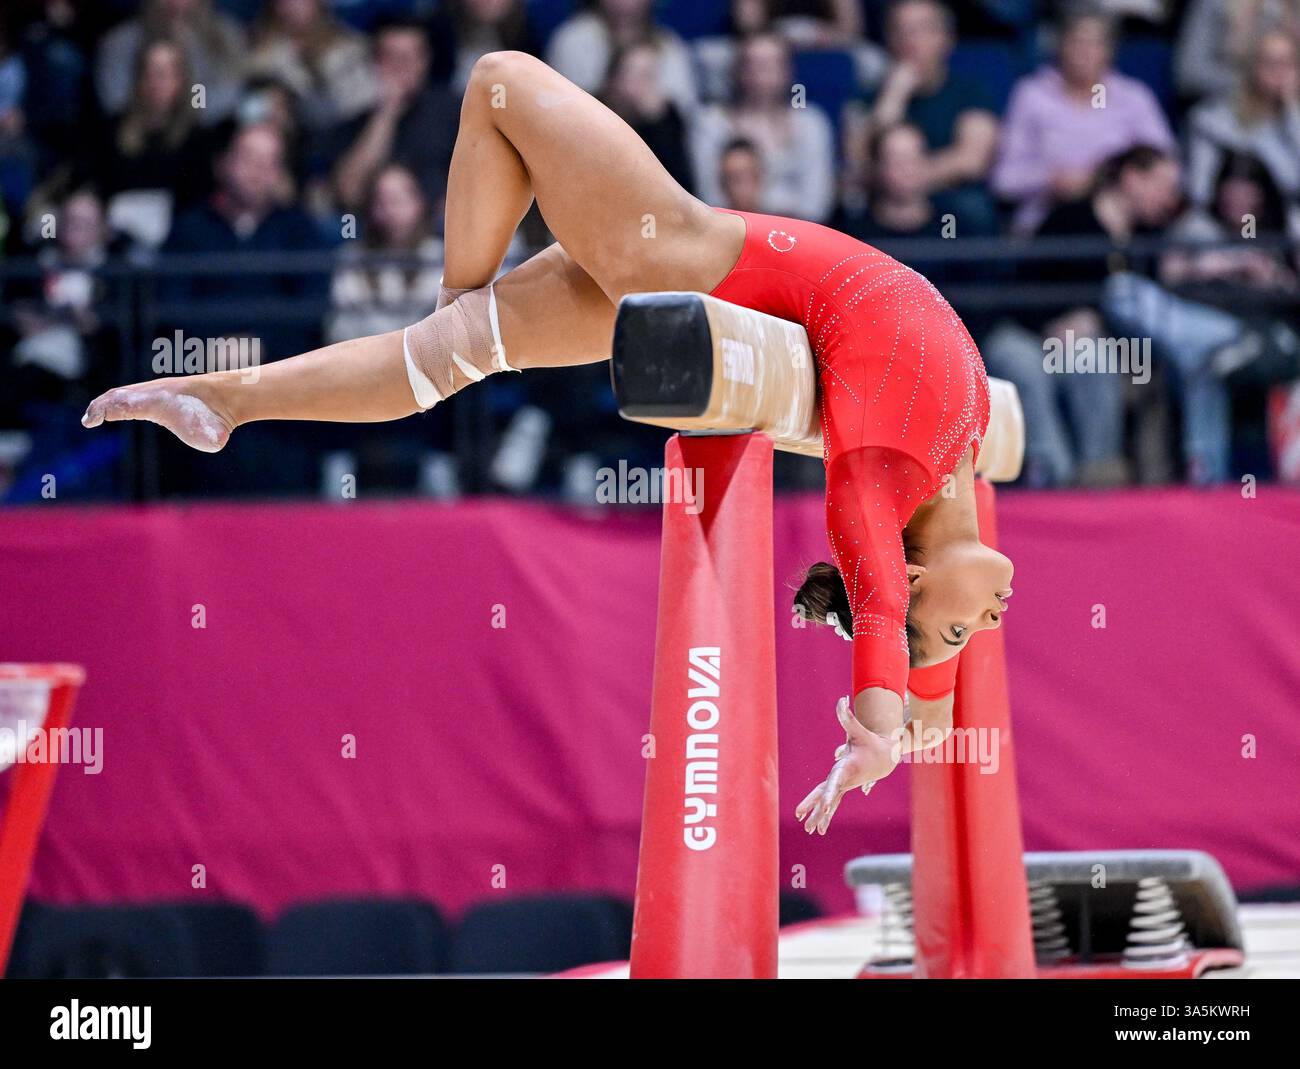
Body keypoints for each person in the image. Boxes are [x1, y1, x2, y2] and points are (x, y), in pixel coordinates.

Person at [83, 52, 1013, 833]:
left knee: (495, 94)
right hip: (677, 251)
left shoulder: (891, 471)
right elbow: (900, 610)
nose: (997, 617)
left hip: (670, 259)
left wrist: (877, 722)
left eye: (963, 626)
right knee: (473, 217)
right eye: (970, 636)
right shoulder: (960, 447)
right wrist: (908, 712)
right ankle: (451, 308)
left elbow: (878, 583)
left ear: (919, 576)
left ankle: (226, 399)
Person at [992, 6, 1175, 234]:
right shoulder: (1032, 94)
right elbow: (1005, 179)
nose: (1085, 51)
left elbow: (1164, 164)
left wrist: (1117, 182)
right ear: (1060, 45)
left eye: (1095, 43)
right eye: (1077, 41)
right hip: (1047, 223)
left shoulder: (1133, 97)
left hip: (1122, 223)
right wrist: (1052, 180)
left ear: (1111, 50)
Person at [846, 0, 1000, 235]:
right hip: (884, 205)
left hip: (948, 200)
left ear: (946, 39)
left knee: (973, 209)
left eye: (921, 30)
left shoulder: (971, 92)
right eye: (900, 30)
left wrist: (905, 179)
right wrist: (892, 99)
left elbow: (970, 161)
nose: (910, 40)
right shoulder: (869, 96)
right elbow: (858, 163)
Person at [691, 31, 837, 222]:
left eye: (771, 64)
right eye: (753, 64)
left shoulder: (811, 123)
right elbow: (709, 198)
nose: (761, 73)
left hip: (799, 235)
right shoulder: (710, 122)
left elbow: (816, 204)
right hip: (731, 232)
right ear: (737, 69)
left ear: (788, 70)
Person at [1186, 30, 1300, 213]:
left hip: (1287, 224)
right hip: (1237, 222)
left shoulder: (1293, 119)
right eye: (1271, 63)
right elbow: (1200, 190)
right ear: (1253, 67)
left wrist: (1292, 110)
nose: (1280, 72)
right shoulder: (1216, 120)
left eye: (1288, 64)